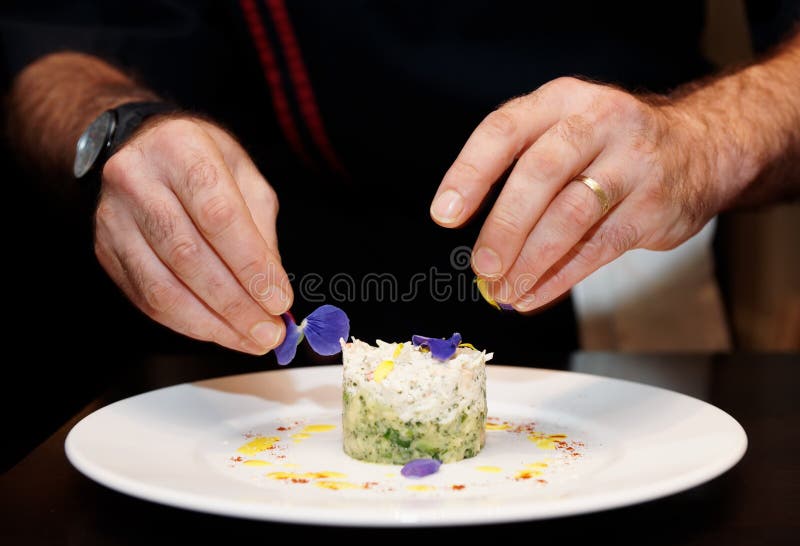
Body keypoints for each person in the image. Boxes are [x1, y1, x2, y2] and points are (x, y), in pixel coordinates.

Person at [2, 1, 799, 362]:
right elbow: (59, 46)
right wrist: (118, 128)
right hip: (264, 267)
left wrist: (706, 139)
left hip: (611, 254)